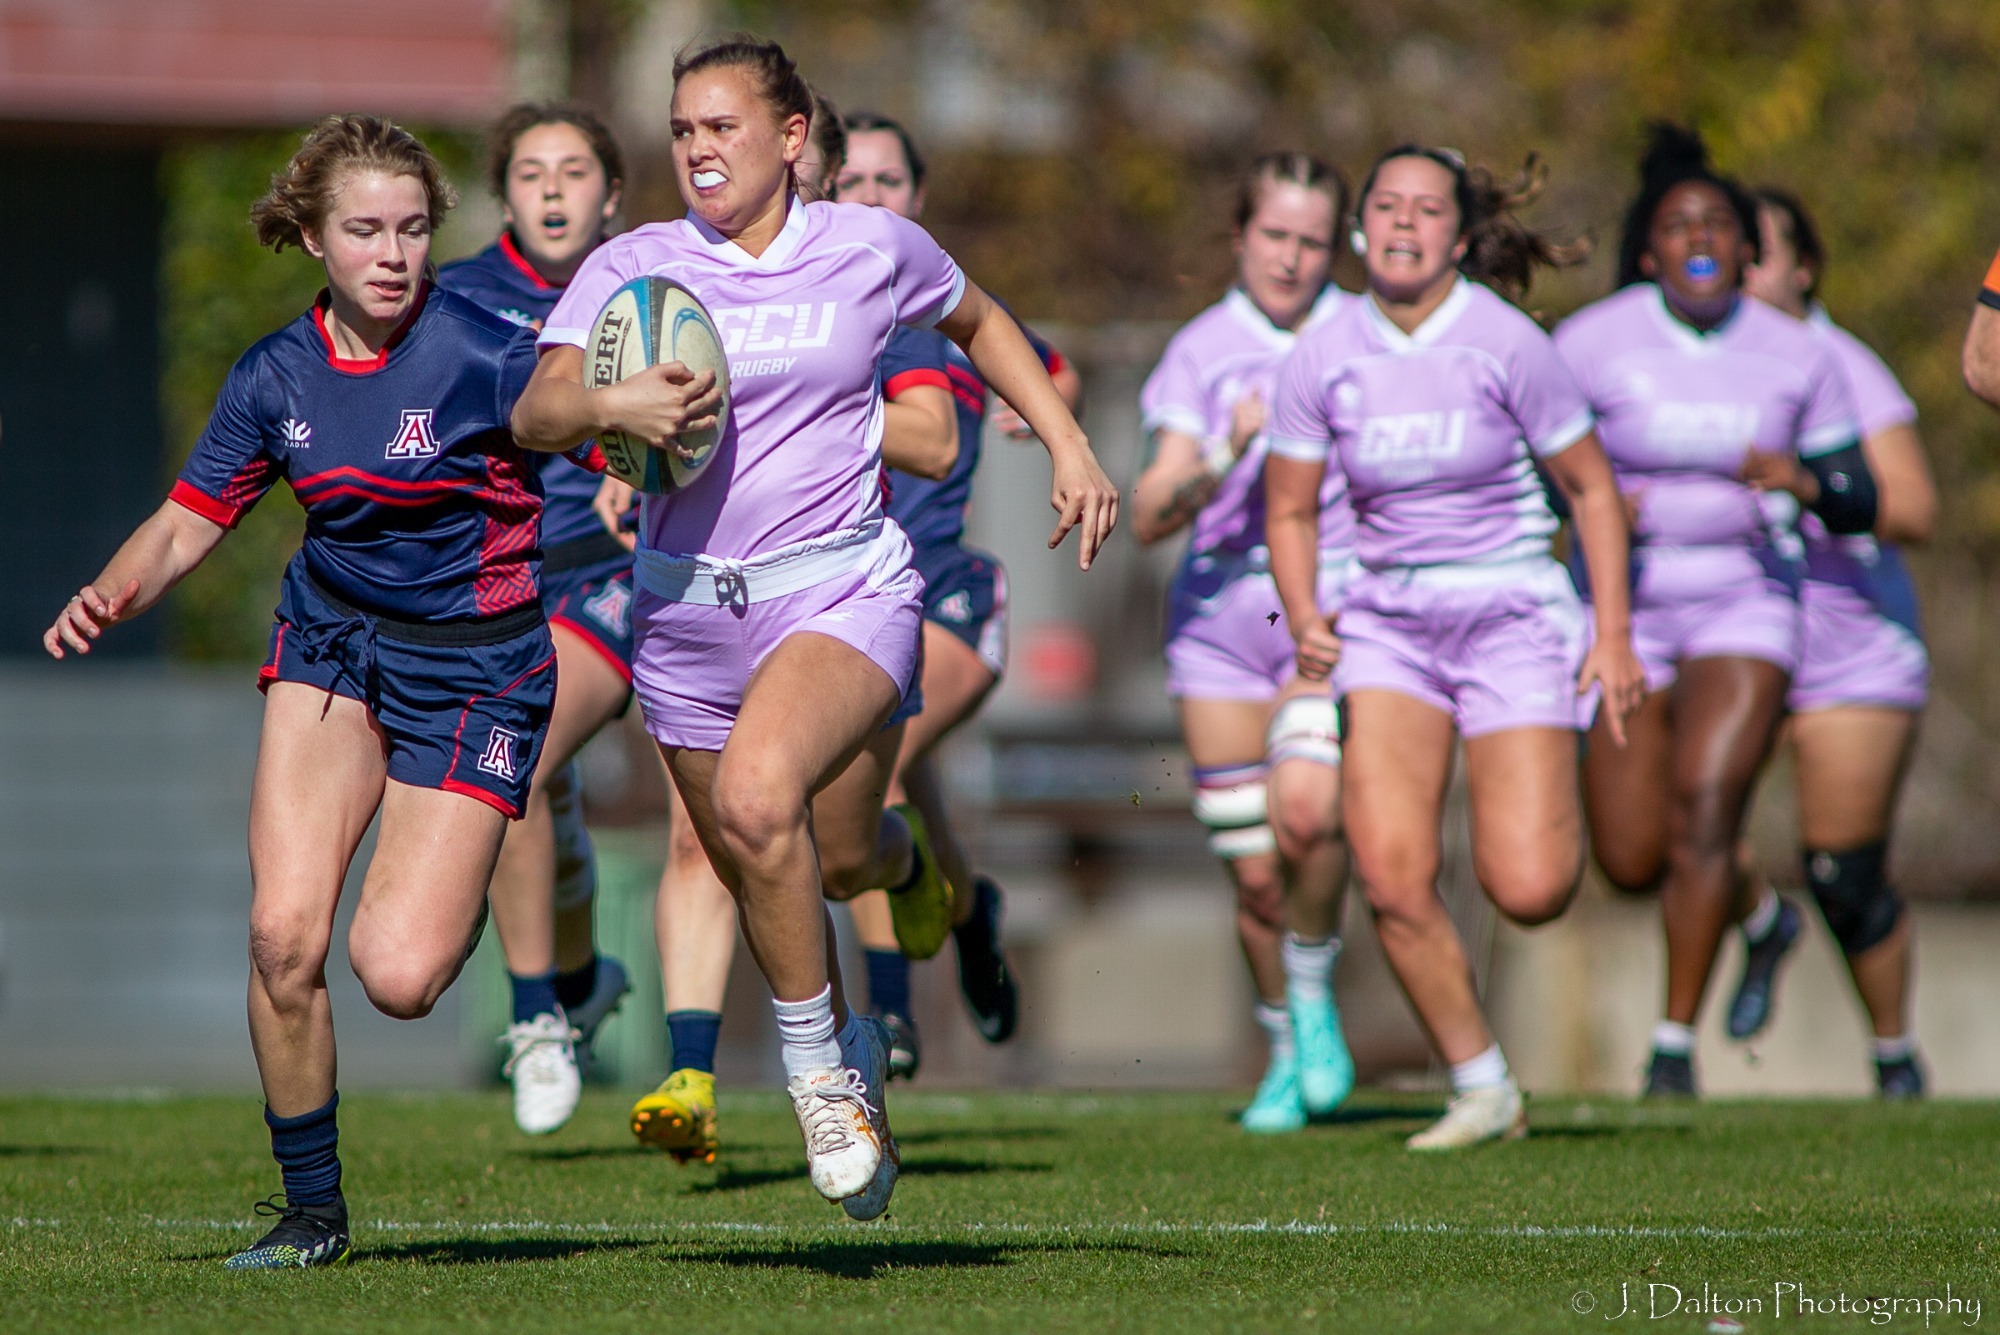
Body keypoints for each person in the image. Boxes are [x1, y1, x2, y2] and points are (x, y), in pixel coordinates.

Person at [510, 35, 1116, 1217]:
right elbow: (537, 410)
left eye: (721, 127)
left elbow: (983, 322)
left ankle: (822, 1077)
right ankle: (913, 870)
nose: (696, 150)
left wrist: (1068, 443)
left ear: (791, 139)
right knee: (828, 856)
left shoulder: (870, 247)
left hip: (842, 589)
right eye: (682, 130)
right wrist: (606, 400)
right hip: (681, 614)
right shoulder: (636, 267)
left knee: (752, 803)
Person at [44, 115, 558, 1267]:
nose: (394, 252)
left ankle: (479, 858)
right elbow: (187, 520)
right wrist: (113, 587)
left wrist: (622, 420)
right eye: (366, 230)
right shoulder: (274, 375)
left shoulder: (489, 347)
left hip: (479, 667)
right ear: (315, 240)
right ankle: (312, 1214)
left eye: (415, 228)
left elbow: (555, 409)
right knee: (281, 940)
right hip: (332, 649)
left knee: (401, 975)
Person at [1266, 145, 1644, 1150]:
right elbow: (1290, 509)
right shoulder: (1321, 351)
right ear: (1358, 229)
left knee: (1527, 887)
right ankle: (1481, 1086)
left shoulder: (1506, 342)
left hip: (1511, 616)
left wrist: (1609, 634)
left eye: (1424, 209)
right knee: (1388, 874)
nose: (1400, 223)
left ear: (1460, 237)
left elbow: (1594, 490)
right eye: (1383, 205)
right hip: (1387, 626)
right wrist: (1305, 612)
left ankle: (1488, 1068)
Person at [1553, 125, 1875, 1098]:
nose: (1697, 237)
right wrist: (1594, 500)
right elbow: (1537, 477)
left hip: (1744, 604)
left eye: (1717, 224)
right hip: (1624, 611)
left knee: (1703, 812)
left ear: (1747, 249)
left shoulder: (1795, 354)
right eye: (1675, 224)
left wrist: (1801, 480)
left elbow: (1858, 495)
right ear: (1647, 251)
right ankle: (1760, 917)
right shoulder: (1590, 341)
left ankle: (1669, 1045)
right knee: (1626, 854)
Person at [834, 109, 1081, 1080]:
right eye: (849, 182)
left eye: (887, 184)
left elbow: (1050, 367)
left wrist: (1047, 419)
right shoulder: (808, 320)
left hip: (948, 595)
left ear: (917, 200)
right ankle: (971, 913)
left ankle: (891, 1014)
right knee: (891, 774)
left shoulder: (949, 308)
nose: (868, 200)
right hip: (842, 592)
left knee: (870, 762)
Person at [1132, 152, 1355, 1134]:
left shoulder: (1361, 335)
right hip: (1219, 627)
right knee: (1254, 869)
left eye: (1310, 240)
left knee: (1309, 819)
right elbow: (1146, 512)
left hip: (1323, 610)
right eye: (1274, 235)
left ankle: (1310, 996)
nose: (1290, 257)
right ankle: (1281, 1044)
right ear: (1238, 237)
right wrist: (1225, 448)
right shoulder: (1199, 348)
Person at [437, 101, 633, 1136]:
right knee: (522, 781)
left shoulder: (655, 288)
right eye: (529, 172)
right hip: (496, 576)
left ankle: (535, 1022)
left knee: (516, 756)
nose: (553, 189)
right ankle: (577, 978)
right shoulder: (457, 298)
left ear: (612, 193)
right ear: (503, 192)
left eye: (574, 170)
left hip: (619, 573)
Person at [1736, 187, 1931, 1097]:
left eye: (1759, 252)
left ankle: (1895, 1058)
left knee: (1842, 873)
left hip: (1850, 655)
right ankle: (1760, 920)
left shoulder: (1842, 366)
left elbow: (1916, 507)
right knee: (1675, 823)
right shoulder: (1694, 366)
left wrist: (1810, 485)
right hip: (1736, 637)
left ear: (1804, 268)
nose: (1739, 270)